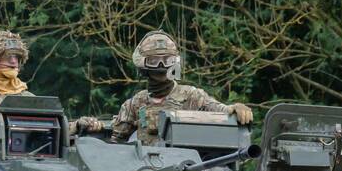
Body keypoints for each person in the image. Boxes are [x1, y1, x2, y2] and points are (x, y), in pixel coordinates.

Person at [106, 31, 252, 145]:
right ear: (143, 66)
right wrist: (93, 125)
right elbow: (116, 139)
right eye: (154, 61)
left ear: (175, 63)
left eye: (168, 60)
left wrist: (235, 108)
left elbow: (220, 110)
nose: (162, 66)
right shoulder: (136, 103)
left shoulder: (192, 96)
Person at [0, 29, 100, 138]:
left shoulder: (27, 96)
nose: (13, 62)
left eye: (17, 57)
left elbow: (53, 127)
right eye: (8, 56)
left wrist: (78, 125)